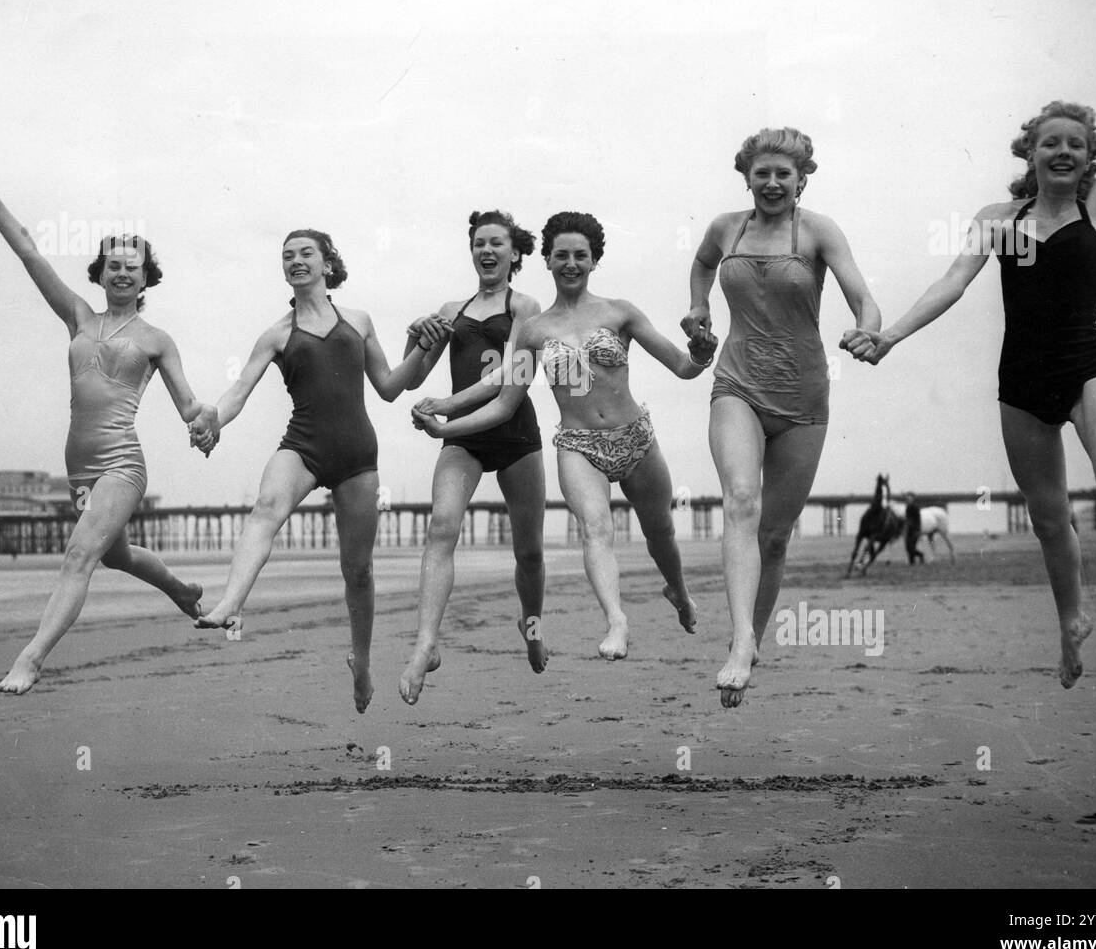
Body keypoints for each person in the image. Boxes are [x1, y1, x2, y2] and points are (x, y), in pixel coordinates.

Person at [848, 0, 1096, 686]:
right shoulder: (1000, 218)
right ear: (1029, 154)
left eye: (1074, 142)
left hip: (1086, 363)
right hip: (1020, 382)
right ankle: (1072, 621)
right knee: (1048, 514)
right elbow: (951, 281)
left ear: (1091, 155)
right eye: (1048, 142)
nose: (1062, 150)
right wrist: (890, 337)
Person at [0, 145, 214, 695]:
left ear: (146, 280)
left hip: (122, 463)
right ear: (100, 273)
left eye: (131, 267)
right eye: (112, 264)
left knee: (79, 556)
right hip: (80, 471)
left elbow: (189, 405)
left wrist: (204, 421)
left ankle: (31, 659)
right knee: (114, 554)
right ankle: (183, 593)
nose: (121, 272)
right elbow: (28, 253)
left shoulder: (156, 340)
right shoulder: (78, 318)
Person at [413, 211, 716, 662]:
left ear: (594, 260)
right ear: (549, 262)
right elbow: (503, 403)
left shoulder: (620, 312)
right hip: (579, 448)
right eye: (561, 256)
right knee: (595, 529)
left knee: (661, 534)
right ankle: (617, 620)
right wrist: (446, 425)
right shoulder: (534, 332)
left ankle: (679, 591)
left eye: (580, 255)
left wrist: (702, 353)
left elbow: (683, 367)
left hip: (635, 438)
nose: (571, 263)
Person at [189, 229, 446, 713]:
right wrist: (213, 422)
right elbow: (238, 391)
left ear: (328, 262)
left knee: (359, 570)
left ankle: (363, 662)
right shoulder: (277, 333)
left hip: (356, 455)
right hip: (303, 445)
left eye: (306, 253)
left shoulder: (359, 320)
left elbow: (391, 386)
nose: (296, 261)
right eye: (287, 256)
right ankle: (230, 603)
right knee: (265, 508)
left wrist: (427, 348)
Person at [682, 128, 880, 708]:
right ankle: (740, 641)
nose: (772, 183)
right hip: (736, 383)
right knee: (741, 500)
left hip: (803, 399)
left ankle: (752, 640)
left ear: (801, 179)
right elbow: (700, 266)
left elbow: (863, 298)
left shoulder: (819, 231)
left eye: (783, 174)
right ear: (747, 176)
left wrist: (867, 328)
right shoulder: (726, 228)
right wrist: (699, 306)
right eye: (762, 173)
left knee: (773, 535)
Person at [397, 211, 548, 705]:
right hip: (462, 440)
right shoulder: (451, 308)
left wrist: (445, 409)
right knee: (442, 527)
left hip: (514, 435)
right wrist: (415, 333)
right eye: (479, 243)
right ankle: (425, 646)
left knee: (528, 553)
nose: (487, 251)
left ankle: (531, 628)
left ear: (515, 253)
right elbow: (413, 378)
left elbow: (508, 377)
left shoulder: (527, 306)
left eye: (497, 243)